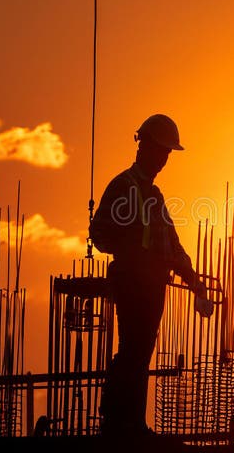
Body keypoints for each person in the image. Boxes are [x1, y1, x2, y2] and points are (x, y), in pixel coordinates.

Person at [89, 113, 212, 436]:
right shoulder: (122, 187)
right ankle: (118, 421)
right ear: (144, 147)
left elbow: (173, 246)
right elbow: (99, 232)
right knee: (133, 347)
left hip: (152, 285)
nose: (164, 160)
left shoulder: (154, 197)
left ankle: (131, 423)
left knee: (141, 350)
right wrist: (131, 253)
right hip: (132, 282)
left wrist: (196, 283)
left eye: (168, 154)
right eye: (162, 152)